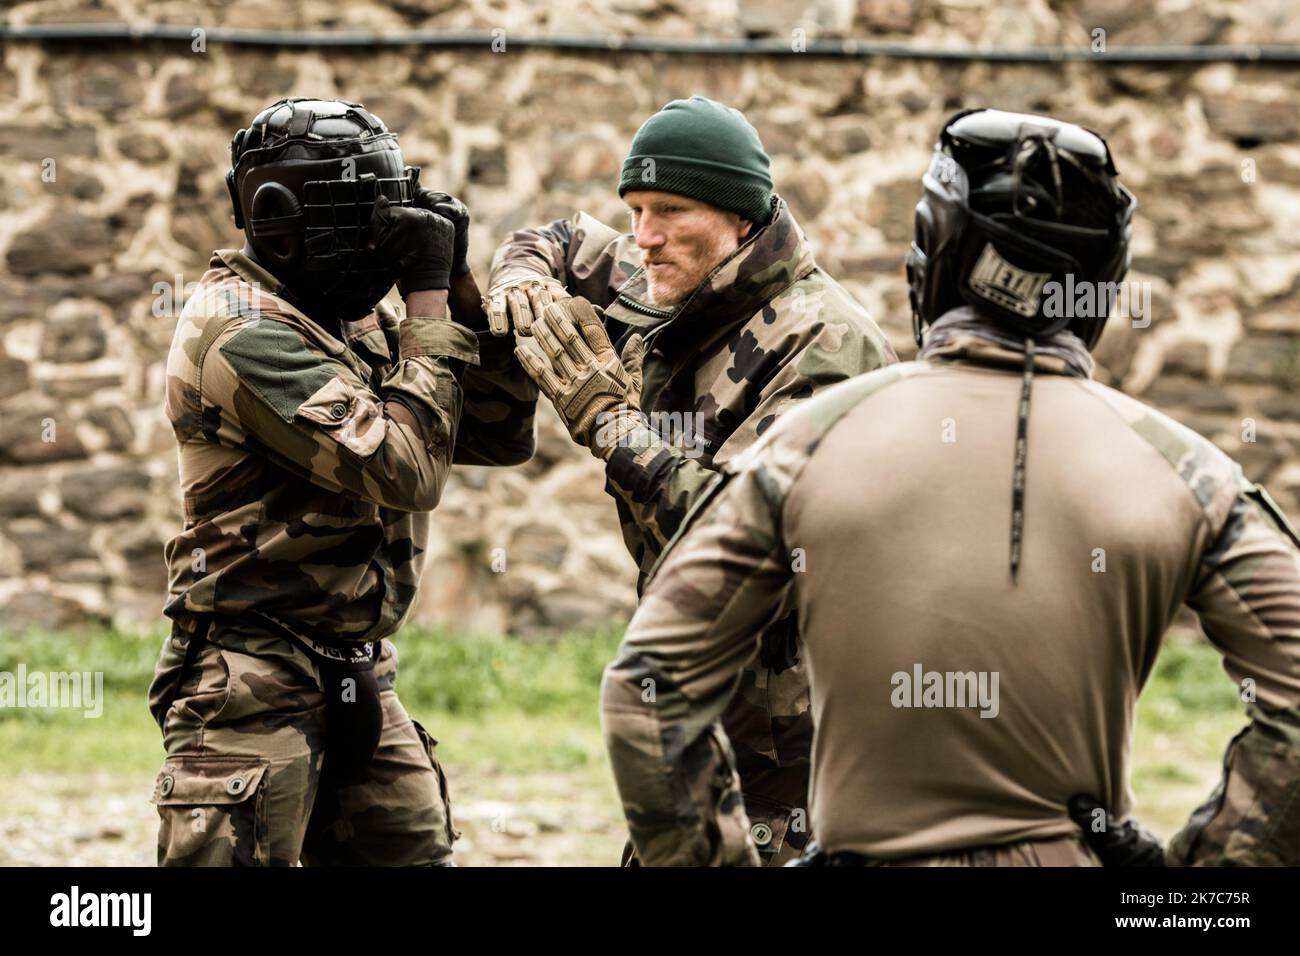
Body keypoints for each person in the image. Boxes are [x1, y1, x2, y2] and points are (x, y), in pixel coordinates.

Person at [599, 108, 1300, 866]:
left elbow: (649, 688)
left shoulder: (805, 448)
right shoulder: (1187, 473)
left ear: (929, 260)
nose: (644, 235)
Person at [490, 96, 896, 864]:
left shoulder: (825, 344)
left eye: (669, 210)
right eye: (635, 209)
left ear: (740, 217)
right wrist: (522, 283)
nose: (643, 237)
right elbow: (560, 238)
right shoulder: (671, 278)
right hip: (690, 722)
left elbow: (746, 532)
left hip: (790, 756)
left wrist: (608, 422)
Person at [147, 97, 533, 865]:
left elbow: (495, 434)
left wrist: (455, 284)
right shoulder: (241, 330)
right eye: (358, 220)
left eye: (384, 217)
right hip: (252, 672)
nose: (374, 243)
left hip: (357, 666)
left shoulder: (352, 319)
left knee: (415, 853)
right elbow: (407, 469)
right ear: (280, 218)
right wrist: (423, 297)